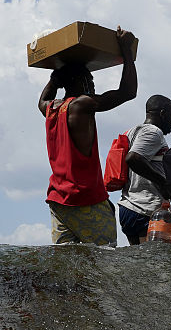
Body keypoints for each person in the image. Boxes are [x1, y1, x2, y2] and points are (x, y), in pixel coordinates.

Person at [37, 28, 137, 246]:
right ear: (82, 83)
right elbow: (128, 92)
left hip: (58, 201)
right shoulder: (82, 104)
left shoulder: (51, 109)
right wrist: (126, 51)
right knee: (105, 260)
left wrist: (55, 79)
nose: (93, 86)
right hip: (84, 199)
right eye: (90, 80)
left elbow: (42, 100)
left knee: (67, 264)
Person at [117, 95, 171, 245]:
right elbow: (133, 158)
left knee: (138, 263)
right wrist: (163, 183)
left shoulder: (132, 132)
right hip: (145, 208)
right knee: (153, 262)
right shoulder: (153, 132)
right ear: (162, 114)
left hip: (128, 206)